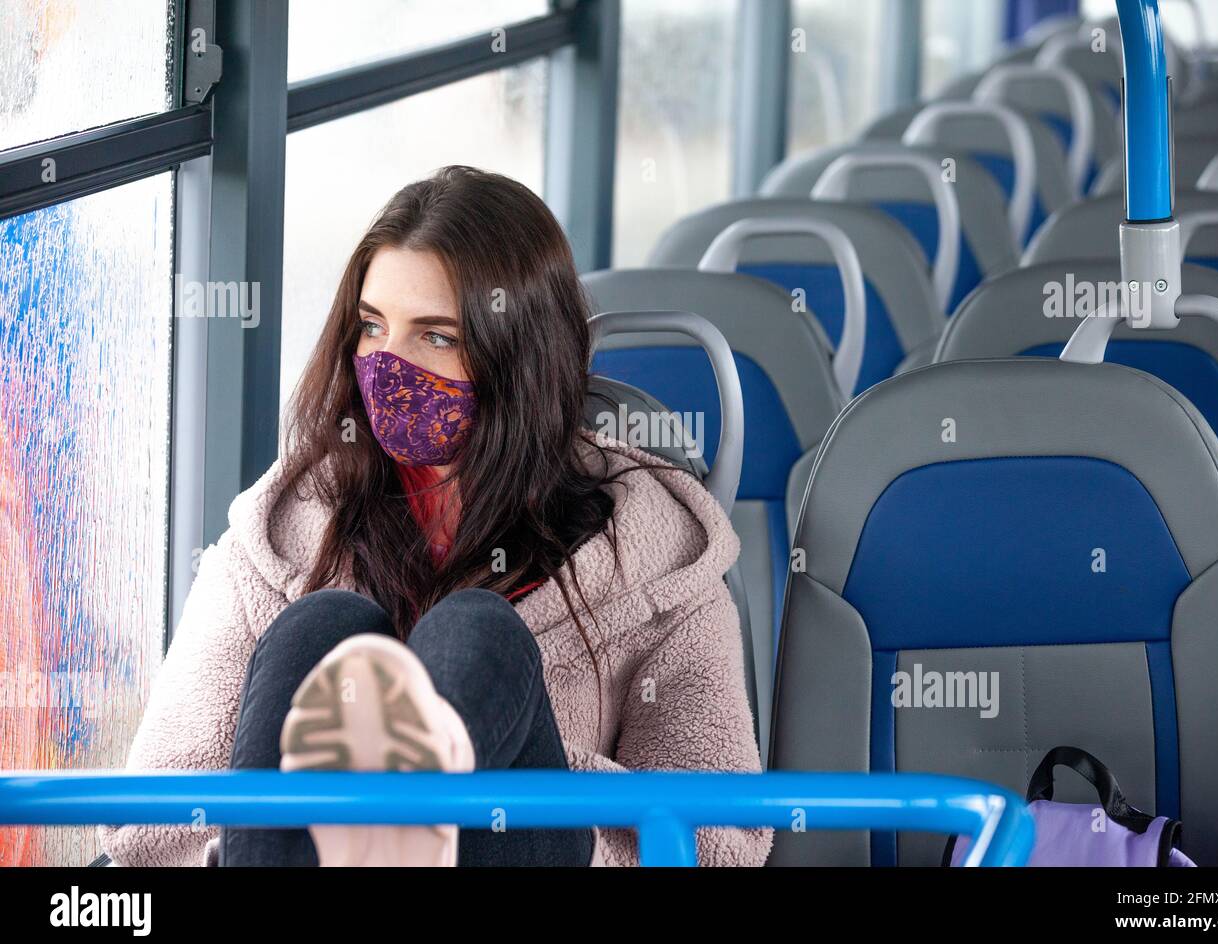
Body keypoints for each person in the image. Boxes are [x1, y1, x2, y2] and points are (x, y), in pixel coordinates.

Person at [98, 166, 769, 867]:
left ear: (518, 355)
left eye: (437, 337)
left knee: (476, 635)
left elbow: (719, 839)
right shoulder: (285, 528)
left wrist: (506, 754)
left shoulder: (652, 551)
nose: (389, 364)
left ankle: (404, 816)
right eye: (372, 327)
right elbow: (158, 818)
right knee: (323, 629)